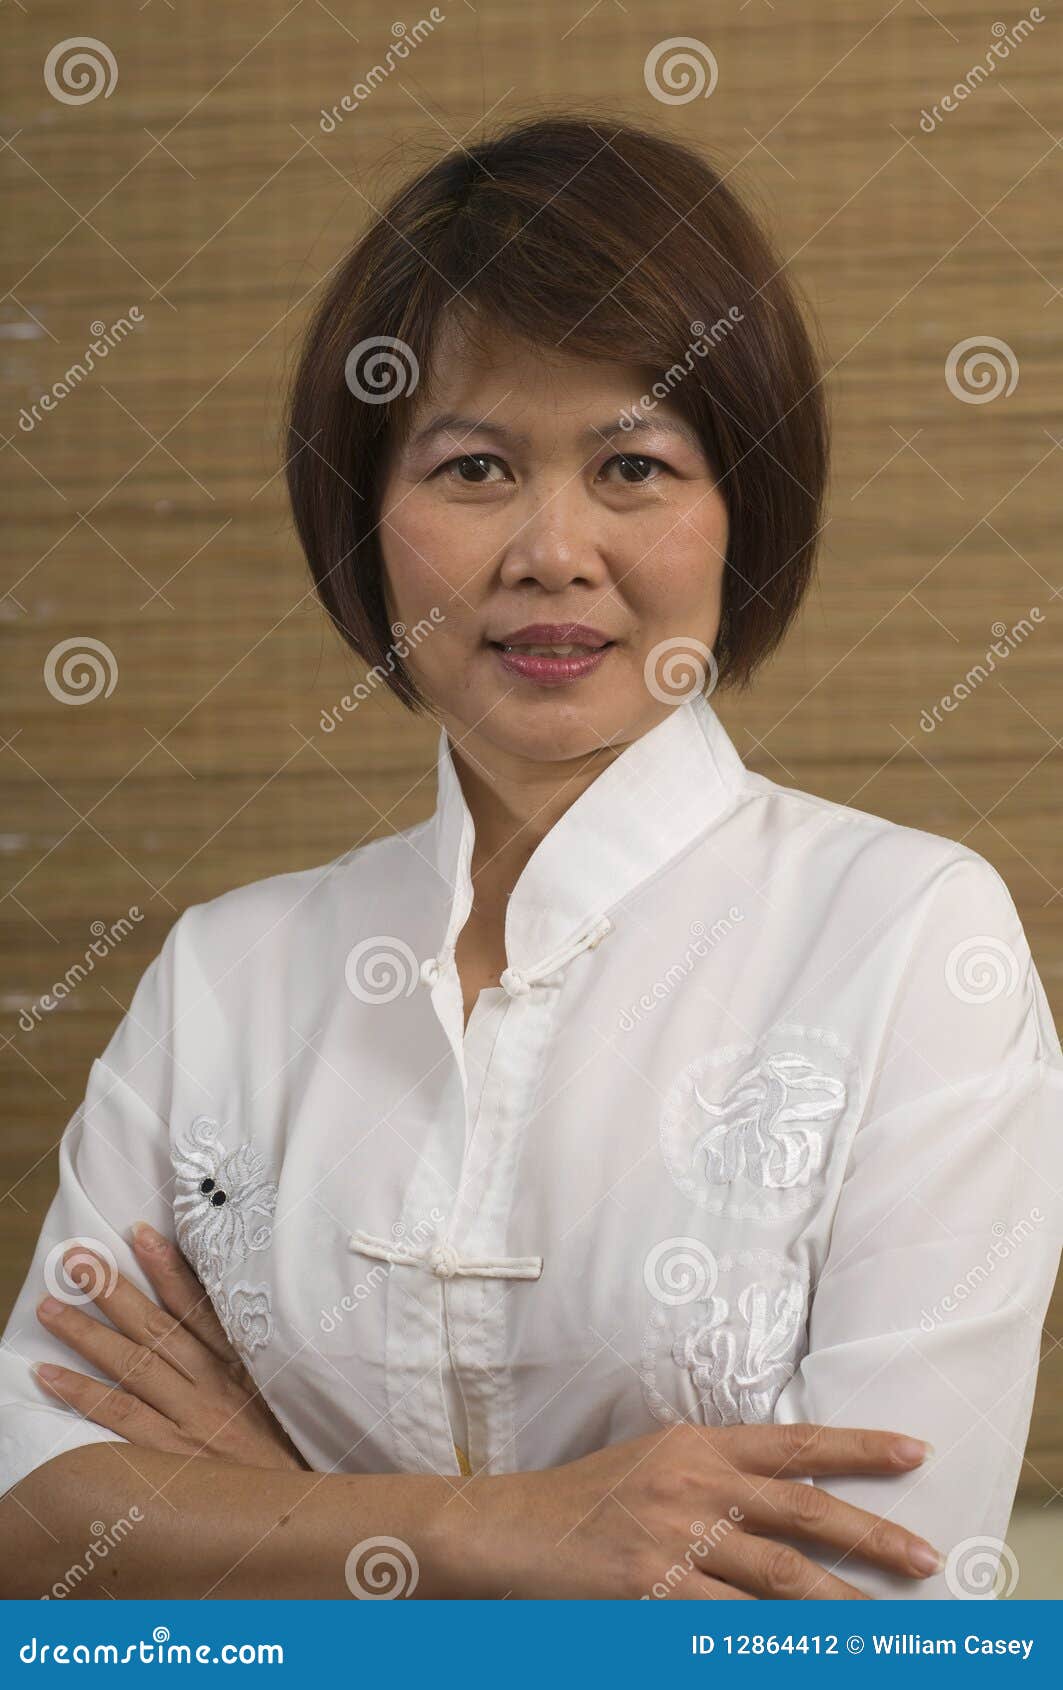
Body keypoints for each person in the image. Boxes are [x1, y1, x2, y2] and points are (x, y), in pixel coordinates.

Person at [1, 113, 1060, 1602]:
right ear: (366, 516)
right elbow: (34, 1531)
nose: (553, 550)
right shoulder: (227, 976)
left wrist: (272, 1516)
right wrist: (467, 1529)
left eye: (633, 465)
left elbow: (869, 1615)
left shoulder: (909, 936)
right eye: (476, 465)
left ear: (737, 511)